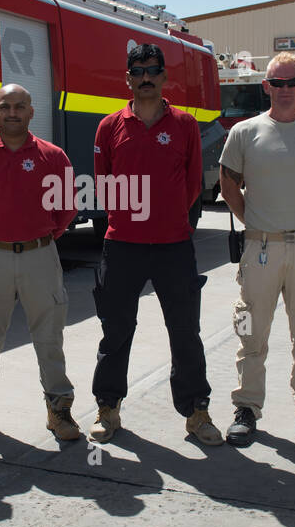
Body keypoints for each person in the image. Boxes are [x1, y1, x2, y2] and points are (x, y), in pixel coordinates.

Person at [89, 43, 222, 446]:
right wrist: (129, 219)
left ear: (164, 77)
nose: (145, 77)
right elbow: (103, 182)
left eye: (152, 70)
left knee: (185, 332)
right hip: (123, 246)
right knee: (116, 331)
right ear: (127, 78)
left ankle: (197, 412)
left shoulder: (183, 125)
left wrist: (168, 220)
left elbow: (192, 182)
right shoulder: (109, 127)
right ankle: (108, 408)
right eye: (138, 71)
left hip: (174, 246)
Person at [218, 51, 295, 448]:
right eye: (278, 83)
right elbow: (228, 183)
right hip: (260, 248)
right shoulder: (246, 132)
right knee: (251, 330)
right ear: (266, 86)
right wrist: (255, 224)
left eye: (293, 82)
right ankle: (246, 408)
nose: (286, 89)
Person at [0, 84, 81, 444]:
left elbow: (66, 205)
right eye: (5, 106)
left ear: (31, 112)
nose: (12, 112)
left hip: (40, 256)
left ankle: (59, 412)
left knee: (49, 338)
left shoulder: (53, 156)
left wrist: (43, 238)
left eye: (20, 106)